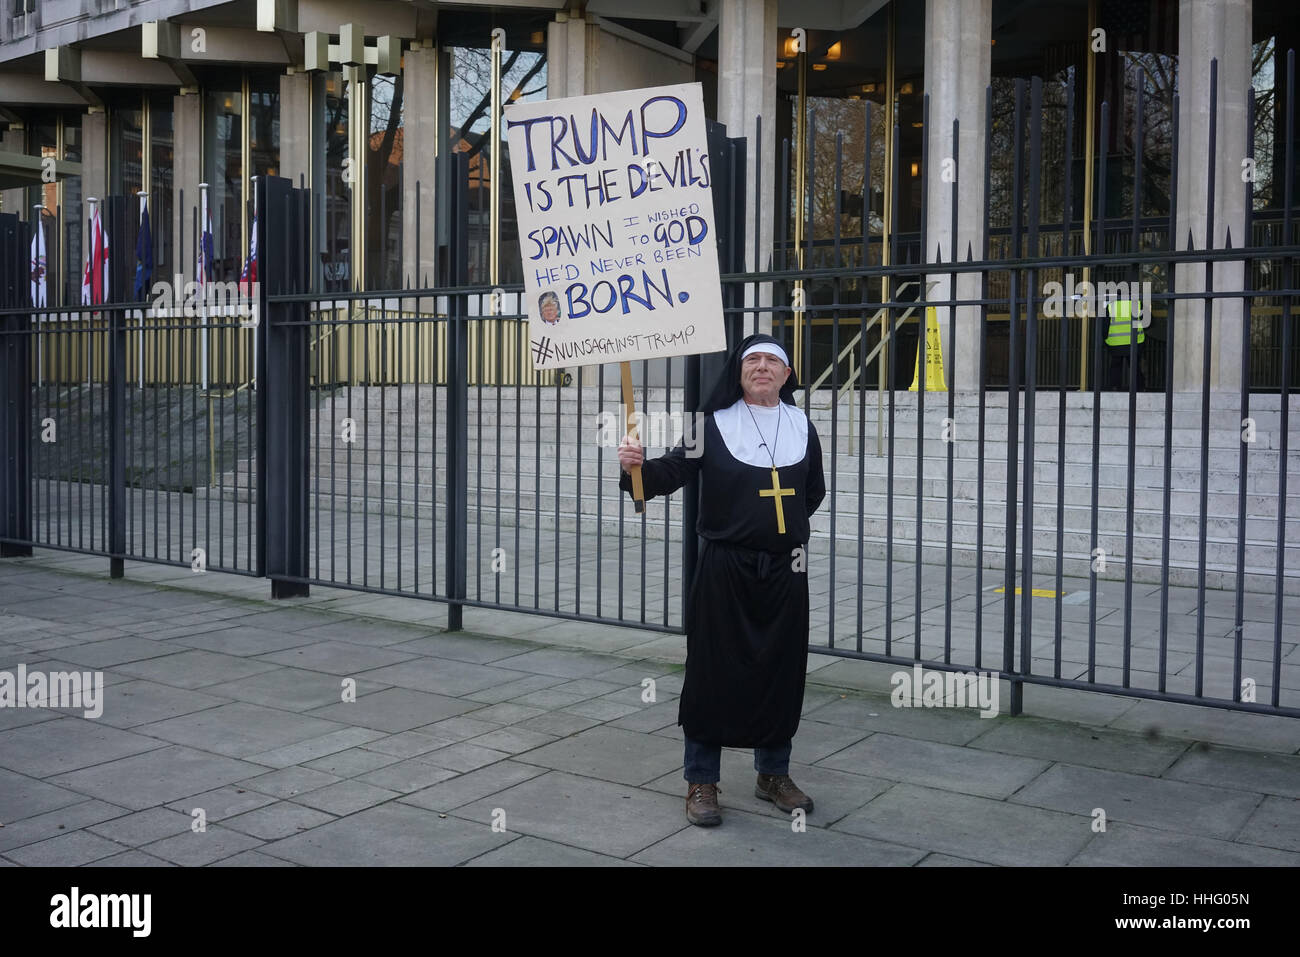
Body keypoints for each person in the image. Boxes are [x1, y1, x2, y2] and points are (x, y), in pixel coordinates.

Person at [616, 333, 826, 827]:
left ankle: (773, 773)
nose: (761, 367)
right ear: (737, 372)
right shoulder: (706, 426)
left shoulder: (802, 425)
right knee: (712, 673)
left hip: (785, 570)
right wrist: (635, 468)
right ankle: (701, 779)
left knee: (781, 671)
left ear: (787, 374)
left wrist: (777, 536)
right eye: (752, 359)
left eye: (772, 361)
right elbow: (666, 475)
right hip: (725, 567)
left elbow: (811, 493)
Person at [1104, 298, 1145, 391]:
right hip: (1135, 341)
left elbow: (1104, 324)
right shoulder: (1137, 304)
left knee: (1115, 366)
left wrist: (1104, 338)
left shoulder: (1111, 305)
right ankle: (1139, 387)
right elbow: (1148, 322)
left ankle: (1115, 387)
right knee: (1134, 366)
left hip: (1115, 341)